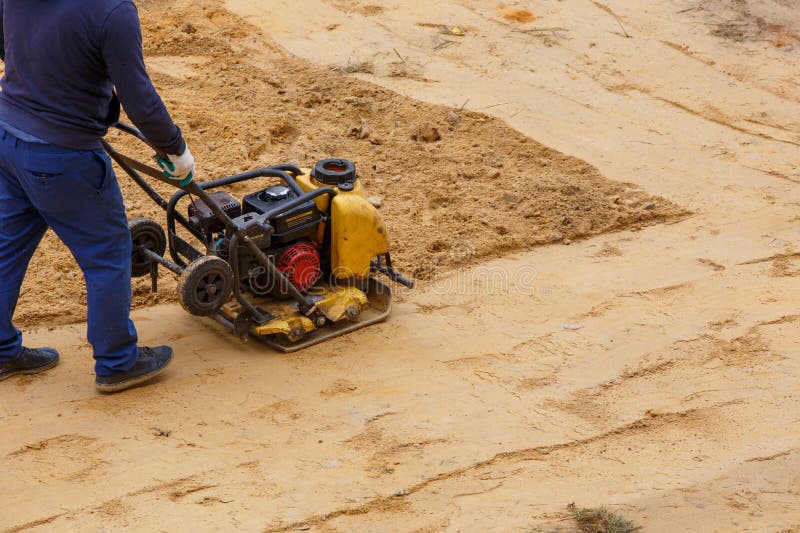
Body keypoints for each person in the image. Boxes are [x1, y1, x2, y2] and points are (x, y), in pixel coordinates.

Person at [0, 0, 195, 392]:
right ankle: (118, 361)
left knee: (6, 248)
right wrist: (175, 149)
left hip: (7, 135)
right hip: (64, 155)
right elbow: (139, 98)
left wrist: (45, 83)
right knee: (107, 253)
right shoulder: (112, 10)